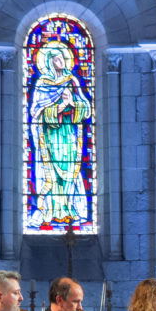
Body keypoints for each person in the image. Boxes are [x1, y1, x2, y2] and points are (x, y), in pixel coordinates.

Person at [28, 40, 93, 228]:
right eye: (57, 59)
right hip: (50, 136)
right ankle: (51, 211)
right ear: (50, 62)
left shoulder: (72, 81)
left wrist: (72, 103)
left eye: (63, 58)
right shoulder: (42, 83)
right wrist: (61, 106)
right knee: (53, 175)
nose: (62, 62)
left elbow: (85, 108)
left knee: (70, 173)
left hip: (69, 135)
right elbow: (36, 112)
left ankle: (69, 210)